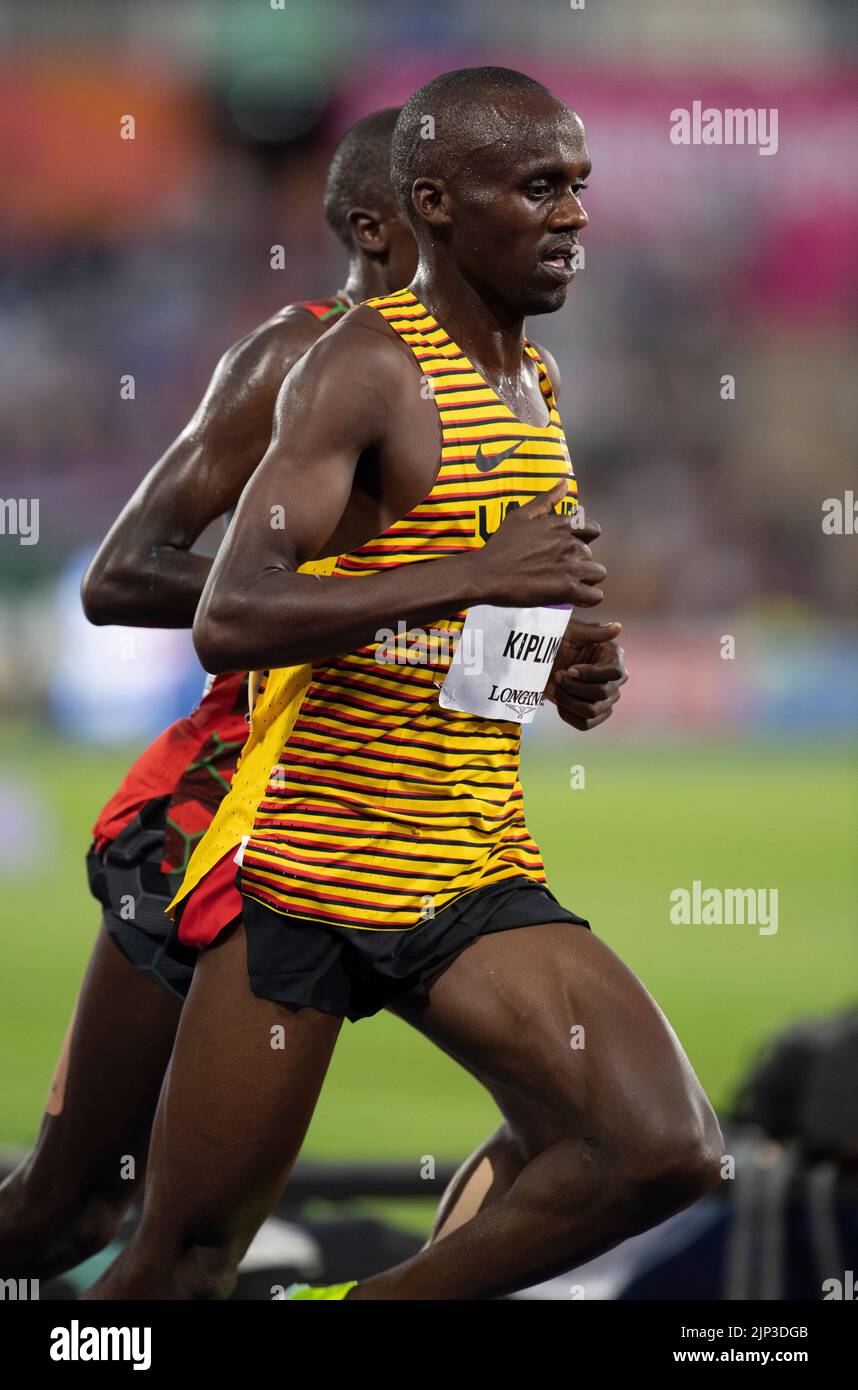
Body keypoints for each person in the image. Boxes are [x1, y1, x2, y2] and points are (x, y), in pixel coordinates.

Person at [86, 66, 711, 1304]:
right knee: (178, 1260)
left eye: (580, 187)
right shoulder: (357, 365)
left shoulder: (539, 383)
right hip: (309, 875)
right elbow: (231, 612)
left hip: (471, 861)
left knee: (660, 1152)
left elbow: (492, 630)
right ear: (433, 204)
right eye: (540, 189)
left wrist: (566, 671)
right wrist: (474, 571)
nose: (576, 216)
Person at [0, 108, 418, 1282]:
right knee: (76, 1213)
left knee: (635, 1143)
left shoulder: (501, 381)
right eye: (467, 191)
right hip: (219, 815)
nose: (543, 220)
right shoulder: (302, 353)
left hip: (388, 821)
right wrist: (377, 604)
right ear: (391, 225)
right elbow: (120, 572)